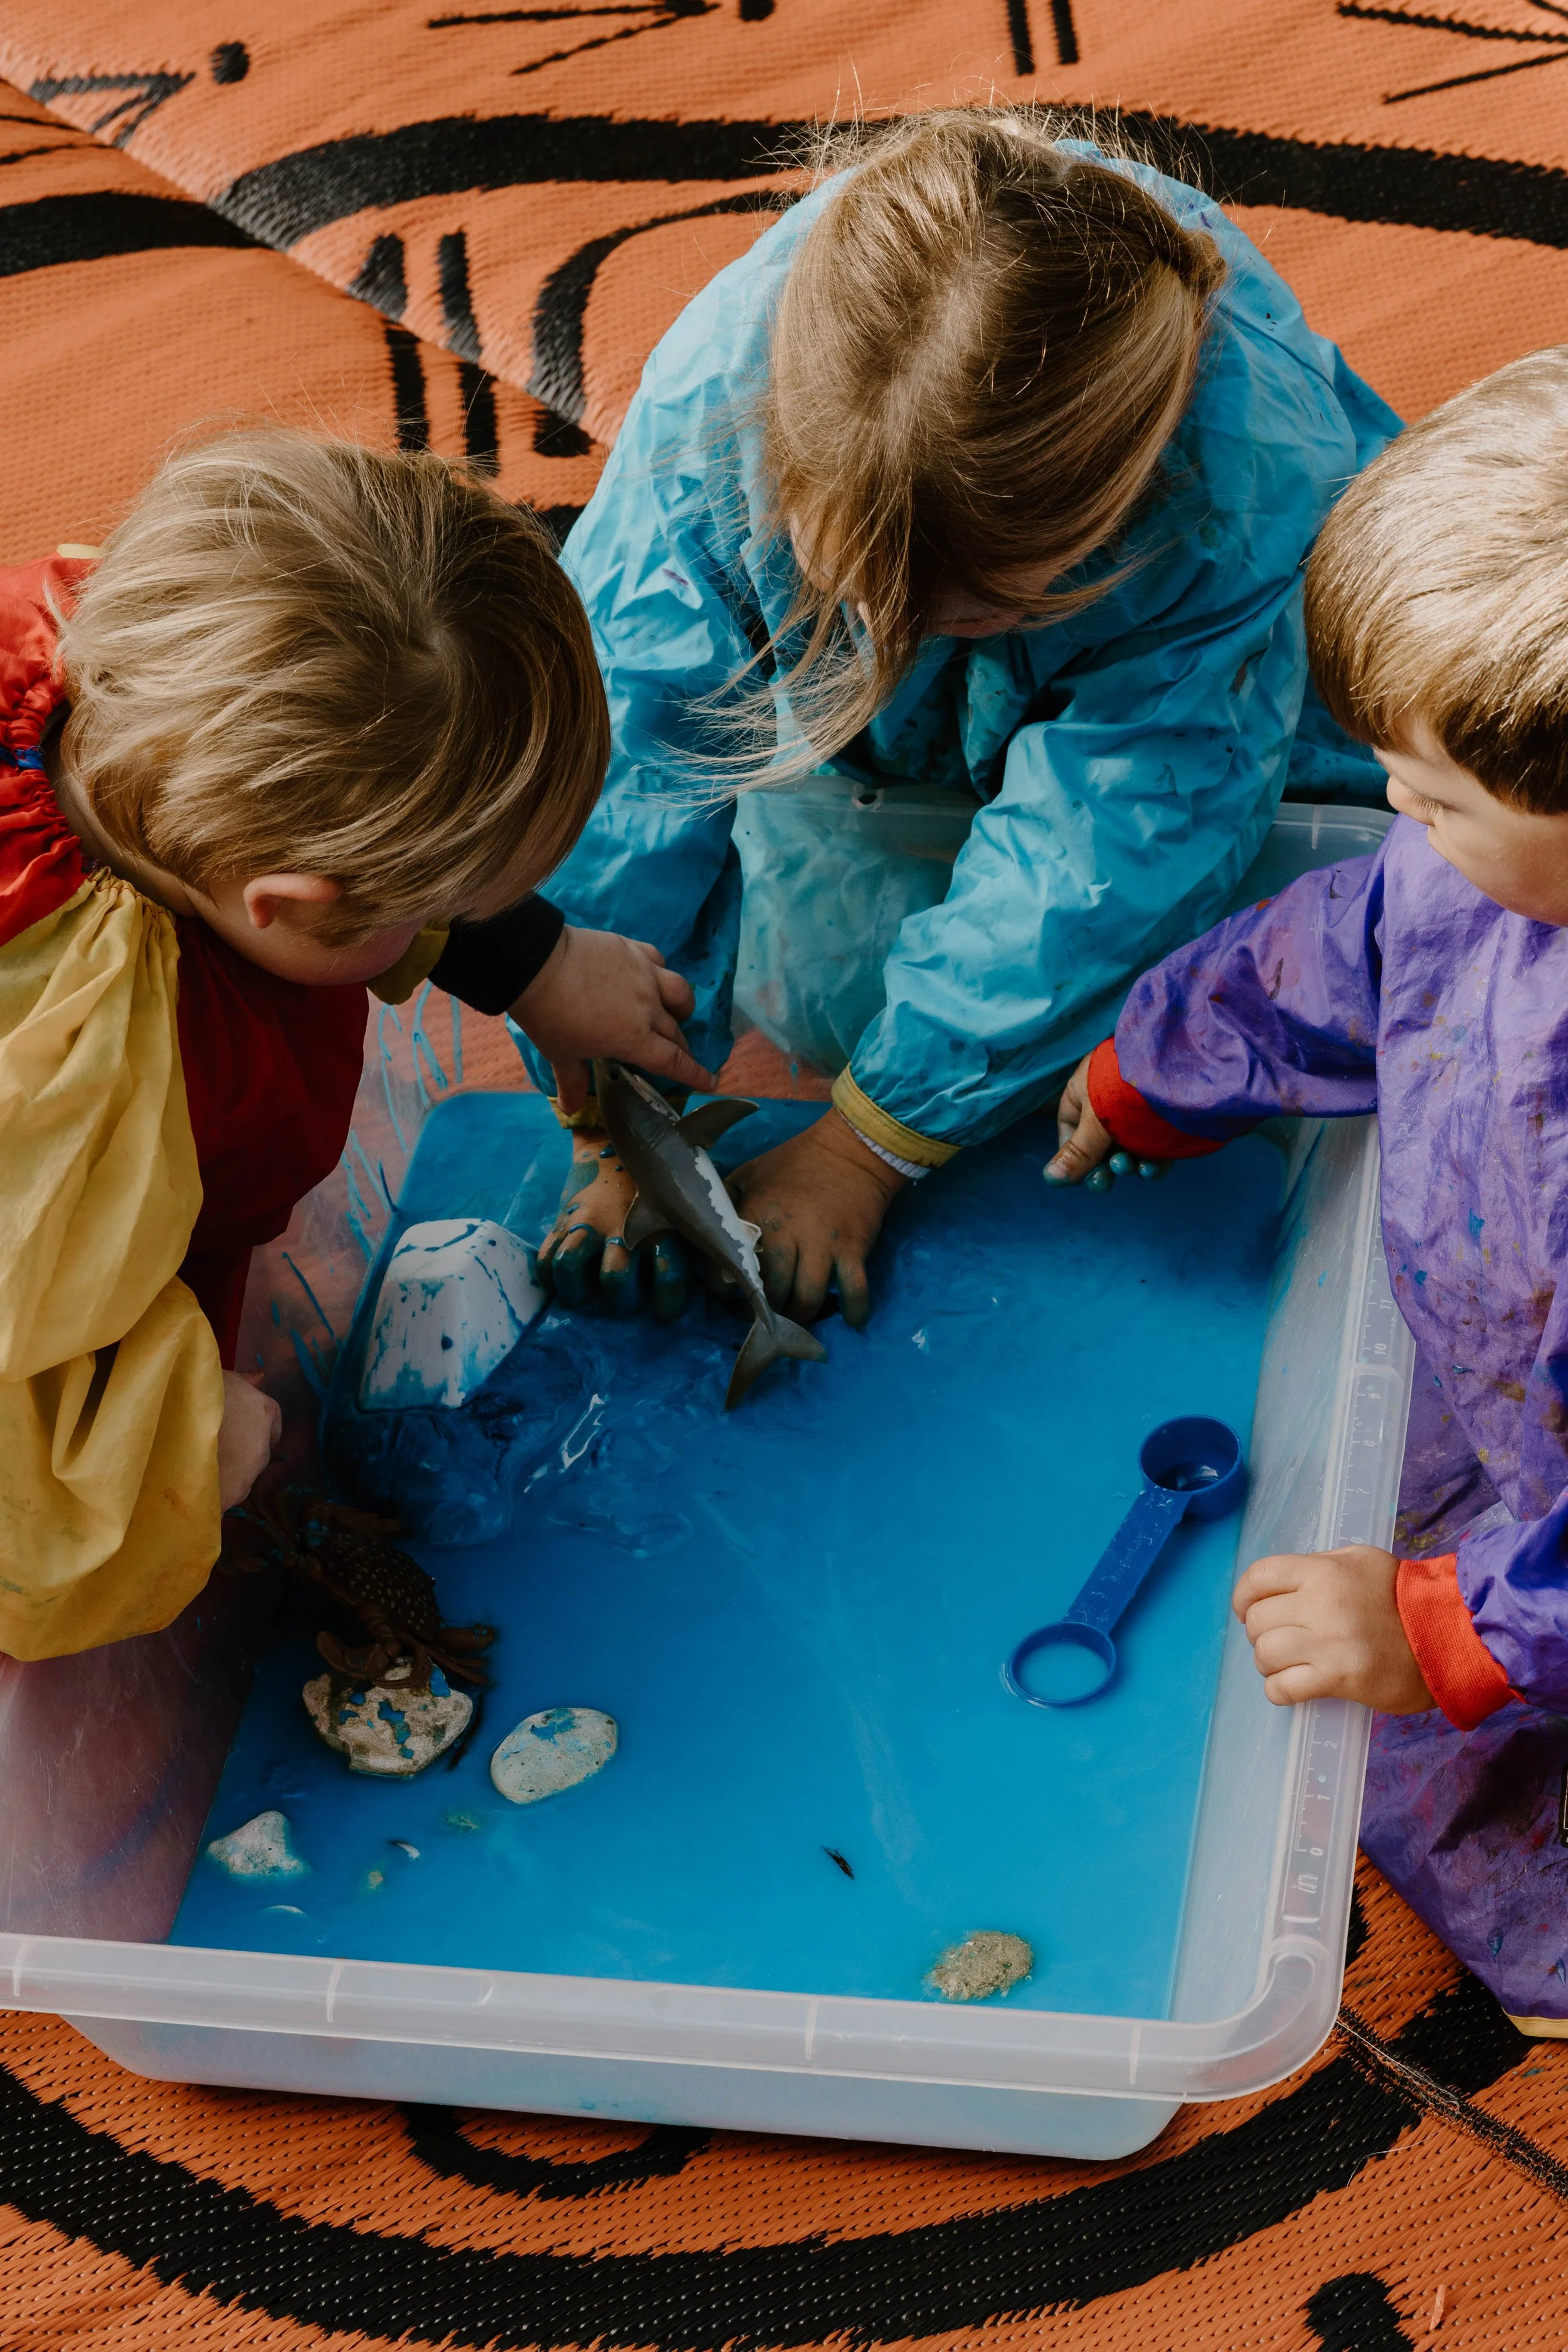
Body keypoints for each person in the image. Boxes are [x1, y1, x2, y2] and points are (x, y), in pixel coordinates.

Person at [523, 105, 1395, 1330]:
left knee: (1269, 850)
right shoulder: (708, 421)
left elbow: (1113, 843)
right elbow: (623, 757)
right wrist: (620, 1115)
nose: (899, 627)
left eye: (962, 606)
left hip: (1199, 662)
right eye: (853, 584)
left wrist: (868, 1146)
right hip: (923, 589)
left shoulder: (1235, 481)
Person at [1047, 346, 1568, 2033]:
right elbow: (1331, 945)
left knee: (1461, 1728)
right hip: (1492, 1373)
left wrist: (1446, 1627)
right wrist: (1159, 1066)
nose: (1393, 819)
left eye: (1434, 793)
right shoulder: (1450, 879)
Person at [0, 428, 712, 1661]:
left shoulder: (124, 659)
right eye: (437, 905)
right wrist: (169, 1444)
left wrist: (530, 960)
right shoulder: (80, 1083)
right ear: (281, 905)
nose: (452, 922)